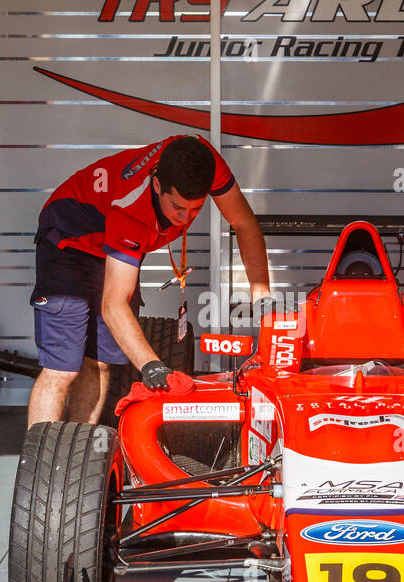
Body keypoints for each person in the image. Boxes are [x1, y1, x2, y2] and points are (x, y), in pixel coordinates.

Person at [27, 134, 271, 427]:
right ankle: (39, 461)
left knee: (100, 364)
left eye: (195, 209)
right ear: (157, 186)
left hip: (109, 242)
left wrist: (262, 297)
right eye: (177, 208)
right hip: (68, 241)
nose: (184, 218)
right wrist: (152, 367)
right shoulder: (132, 209)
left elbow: (243, 222)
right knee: (62, 369)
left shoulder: (203, 160)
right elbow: (113, 304)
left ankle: (77, 454)